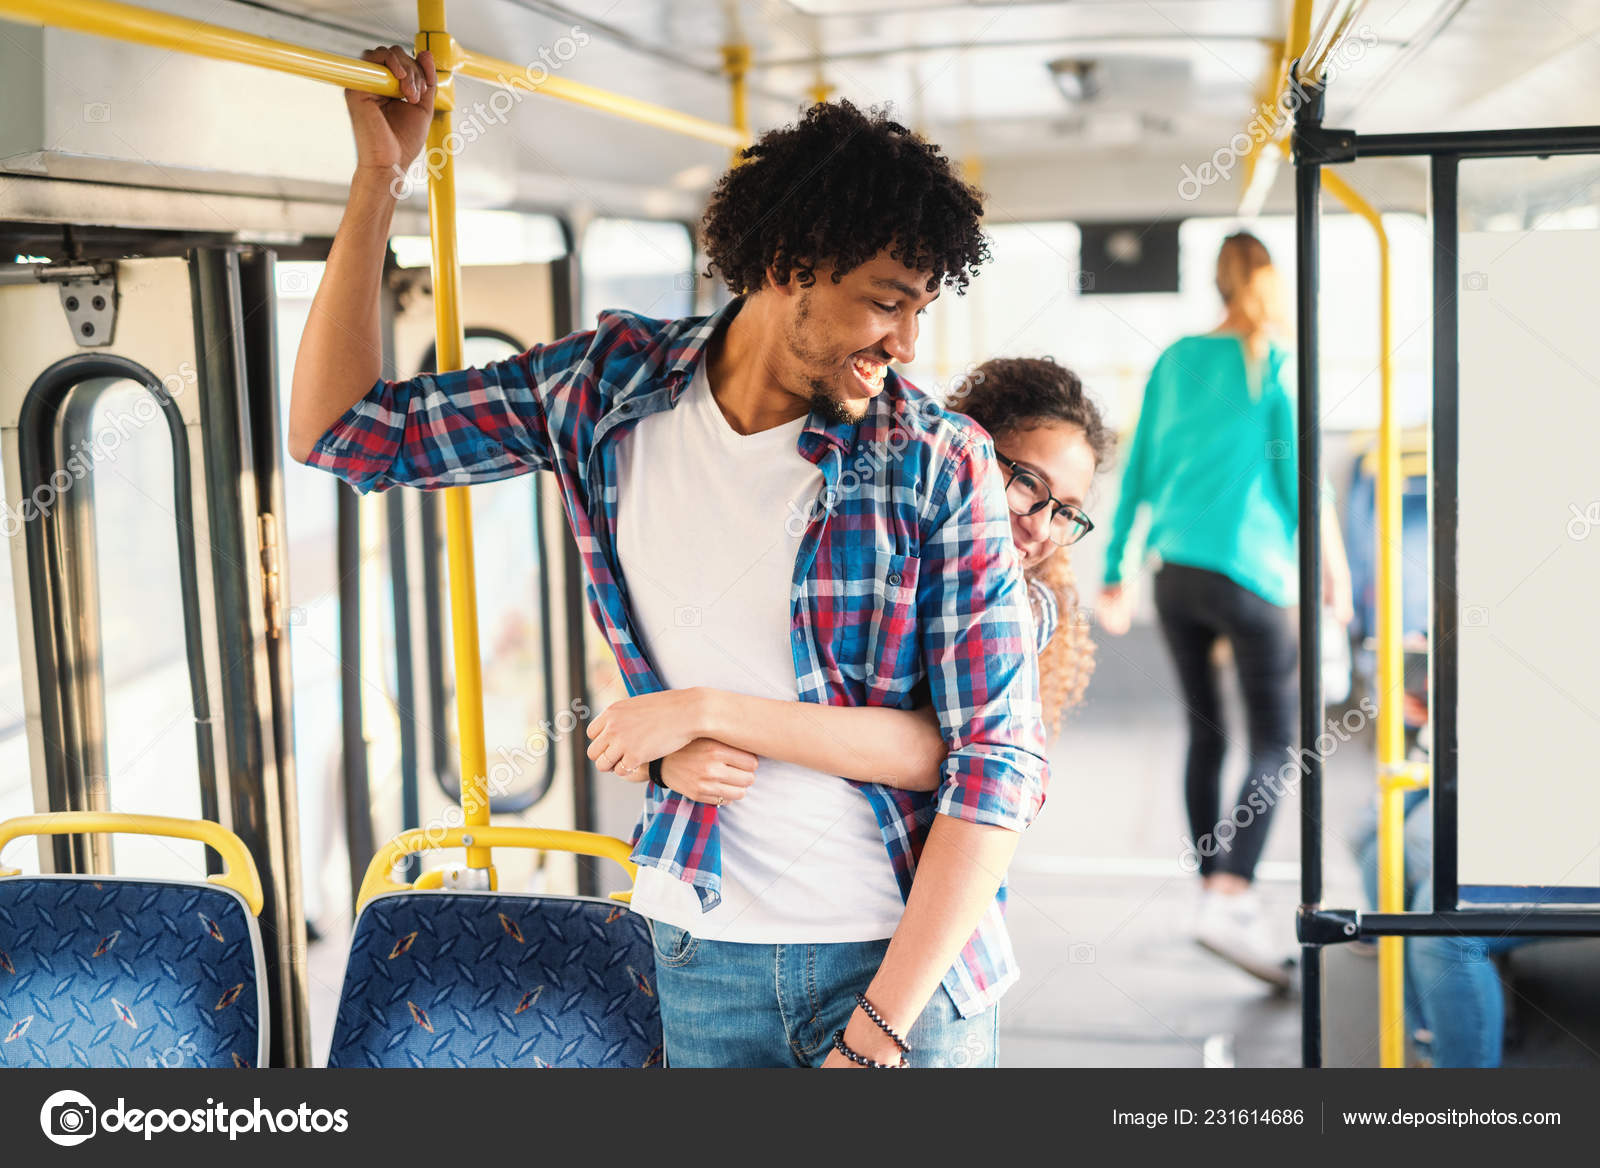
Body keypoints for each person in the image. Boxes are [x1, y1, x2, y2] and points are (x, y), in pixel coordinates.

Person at [290, 46, 1048, 1068]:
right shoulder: (601, 391)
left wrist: (876, 1033)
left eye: (922, 305)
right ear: (791, 265)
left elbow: (994, 766)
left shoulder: (935, 460)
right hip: (700, 952)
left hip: (902, 969)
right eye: (886, 301)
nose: (909, 340)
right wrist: (380, 181)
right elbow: (345, 431)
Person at [585, 354, 1110, 800]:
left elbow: (930, 749)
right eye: (1026, 484)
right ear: (960, 454)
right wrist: (658, 764)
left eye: (1067, 513)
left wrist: (704, 714)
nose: (1040, 525)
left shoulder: (1028, 606)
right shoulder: (847, 540)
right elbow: (633, 710)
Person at [1096, 231, 1353, 988]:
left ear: (1214, 282)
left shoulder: (1176, 358)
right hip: (1251, 576)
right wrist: (1335, 575)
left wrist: (1113, 569)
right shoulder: (1270, 360)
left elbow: (1137, 469)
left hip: (1175, 574)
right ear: (1271, 285)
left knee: (1205, 733)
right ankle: (1229, 894)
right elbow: (1303, 485)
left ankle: (1214, 890)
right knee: (1277, 740)